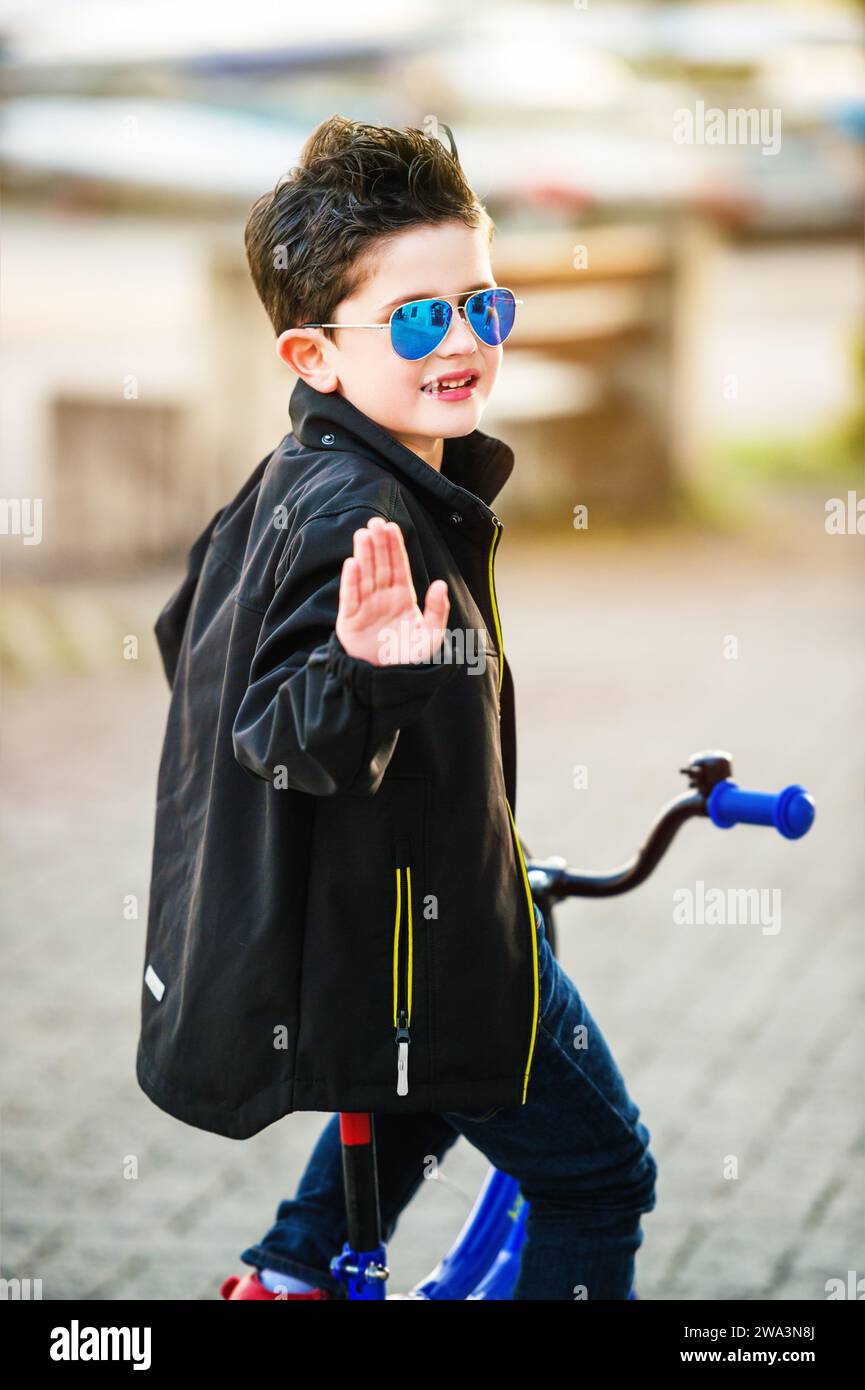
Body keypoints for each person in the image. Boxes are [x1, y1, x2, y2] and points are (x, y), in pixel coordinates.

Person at [136, 115, 657, 1301]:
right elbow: (271, 732)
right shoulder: (357, 513)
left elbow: (185, 638)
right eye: (419, 318)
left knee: (430, 1091)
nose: (464, 340)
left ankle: (294, 1269)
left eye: (484, 303)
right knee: (598, 1180)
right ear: (312, 358)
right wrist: (367, 673)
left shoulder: (318, 471)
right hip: (428, 951)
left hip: (397, 939)